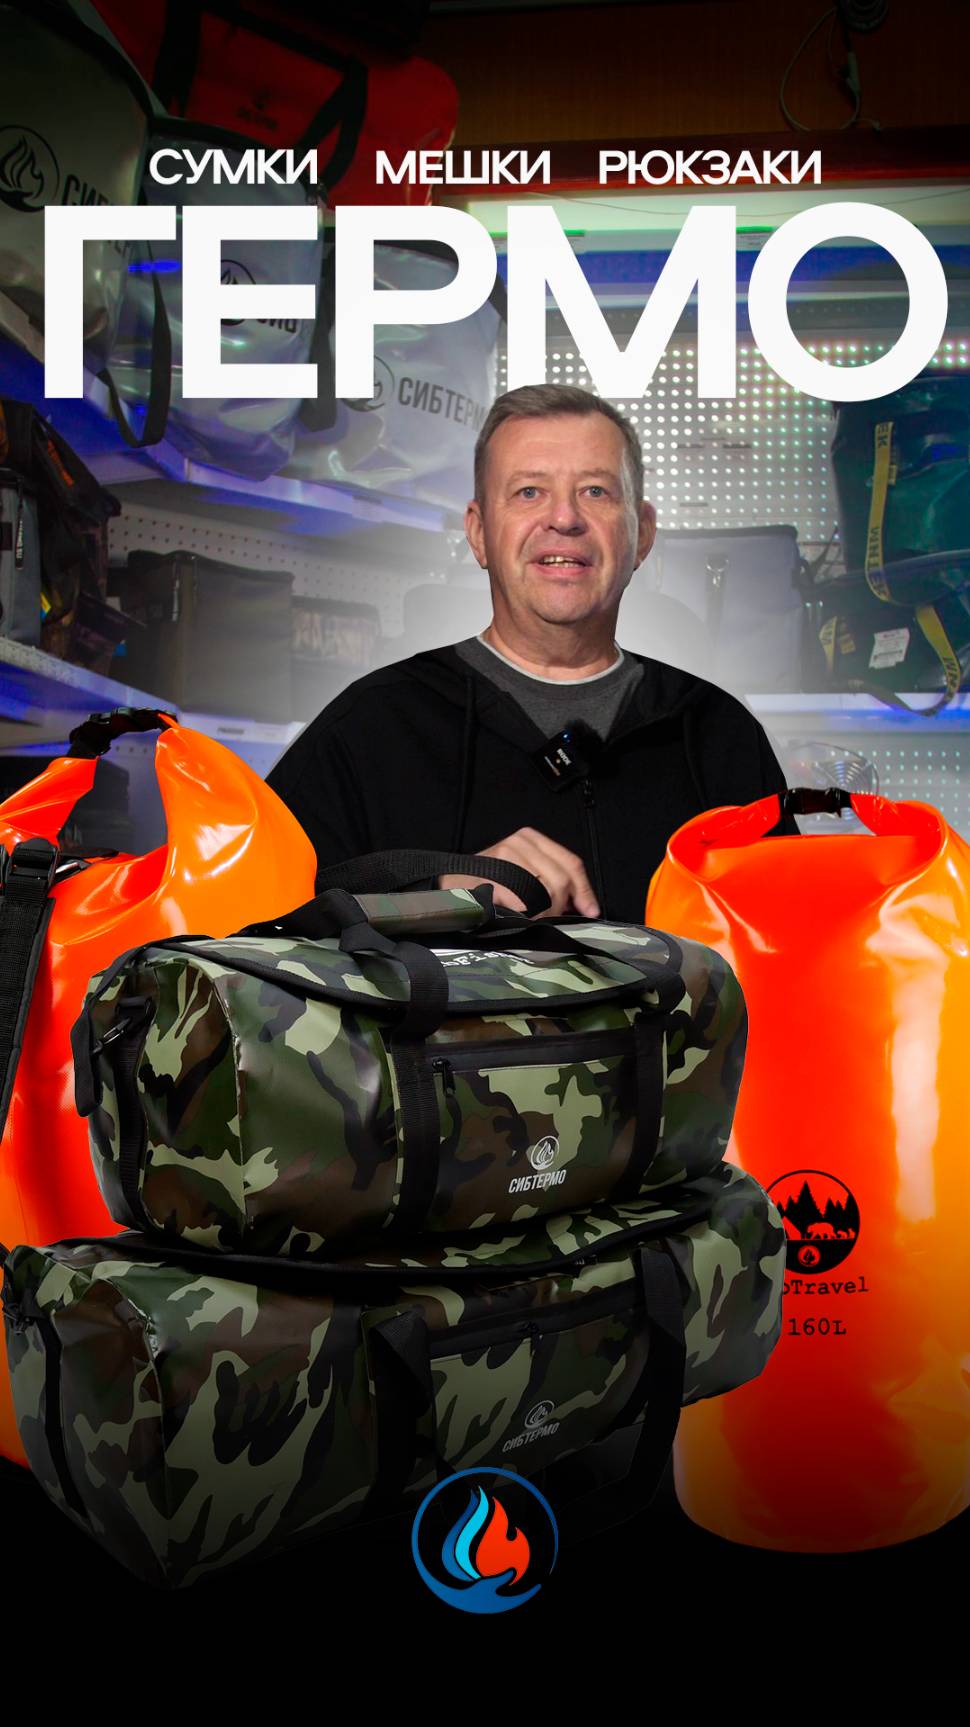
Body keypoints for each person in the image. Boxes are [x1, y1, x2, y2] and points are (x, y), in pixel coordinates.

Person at [266, 383, 796, 922]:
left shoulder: (719, 733)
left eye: (595, 491)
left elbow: (790, 941)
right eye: (528, 492)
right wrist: (438, 893)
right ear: (479, 533)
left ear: (642, 535)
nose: (564, 517)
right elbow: (257, 923)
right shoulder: (372, 725)